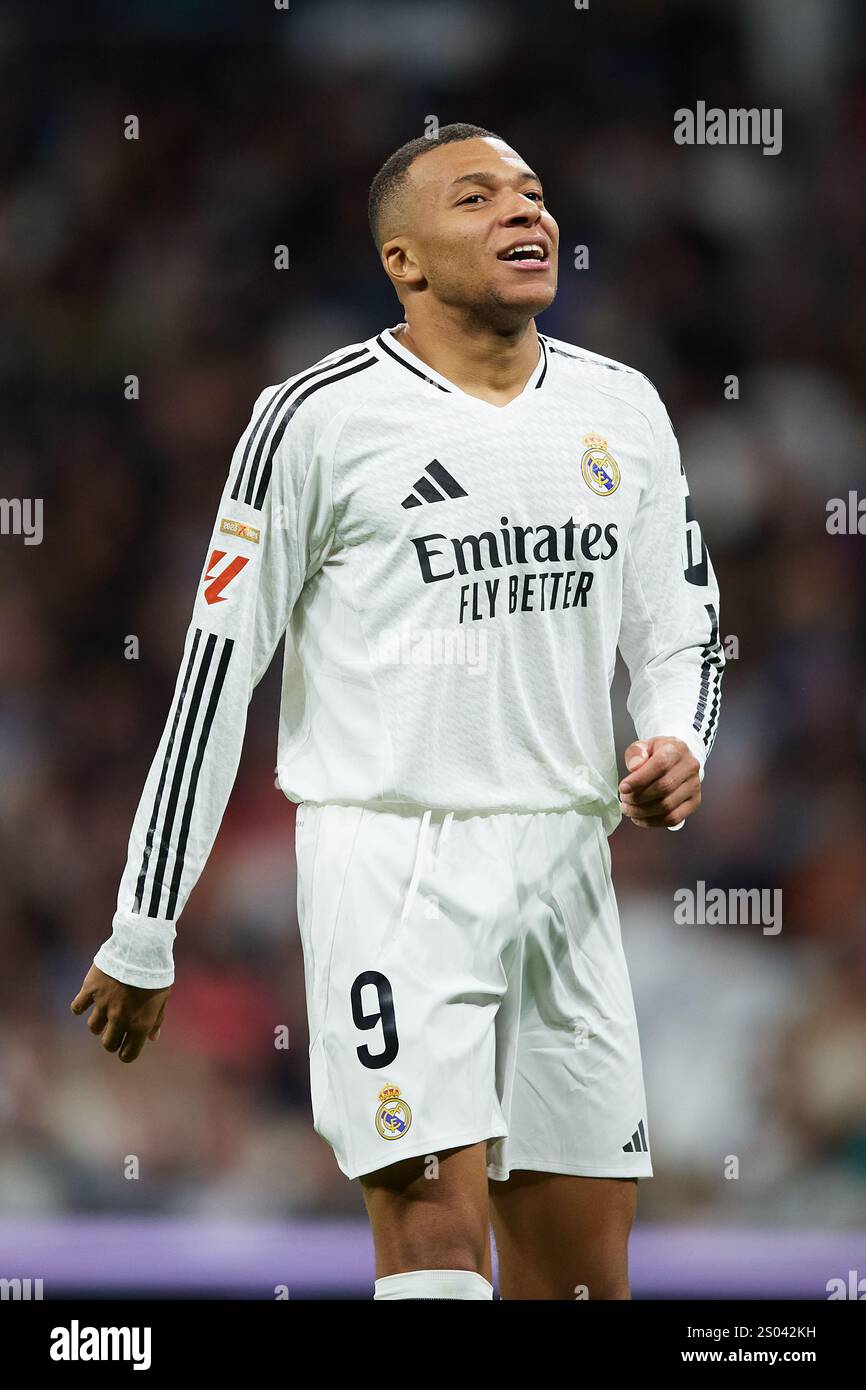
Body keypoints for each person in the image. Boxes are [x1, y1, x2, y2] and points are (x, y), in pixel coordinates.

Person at [71, 124, 724, 1300]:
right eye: (476, 198)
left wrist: (678, 738)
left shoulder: (621, 408)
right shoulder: (313, 419)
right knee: (432, 1244)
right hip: (392, 862)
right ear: (403, 261)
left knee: (581, 1277)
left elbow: (677, 625)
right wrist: (144, 921)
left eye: (533, 193)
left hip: (567, 863)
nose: (525, 215)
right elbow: (217, 678)